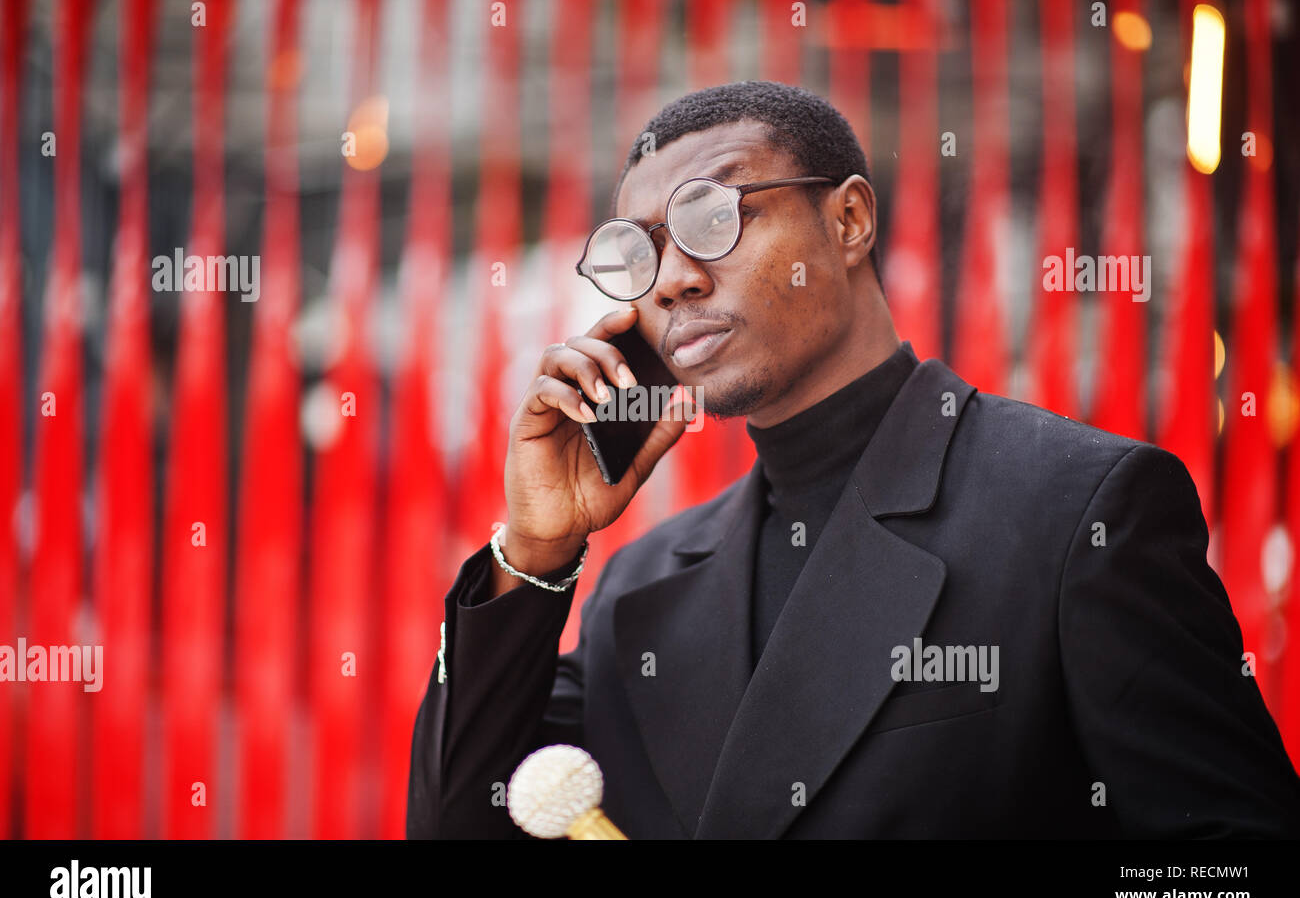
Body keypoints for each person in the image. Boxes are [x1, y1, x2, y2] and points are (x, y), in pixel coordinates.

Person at [406, 80, 1300, 839]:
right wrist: (537, 549)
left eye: (714, 218)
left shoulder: (1074, 510)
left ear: (849, 220)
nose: (673, 278)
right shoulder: (643, 587)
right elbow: (463, 823)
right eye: (639, 252)